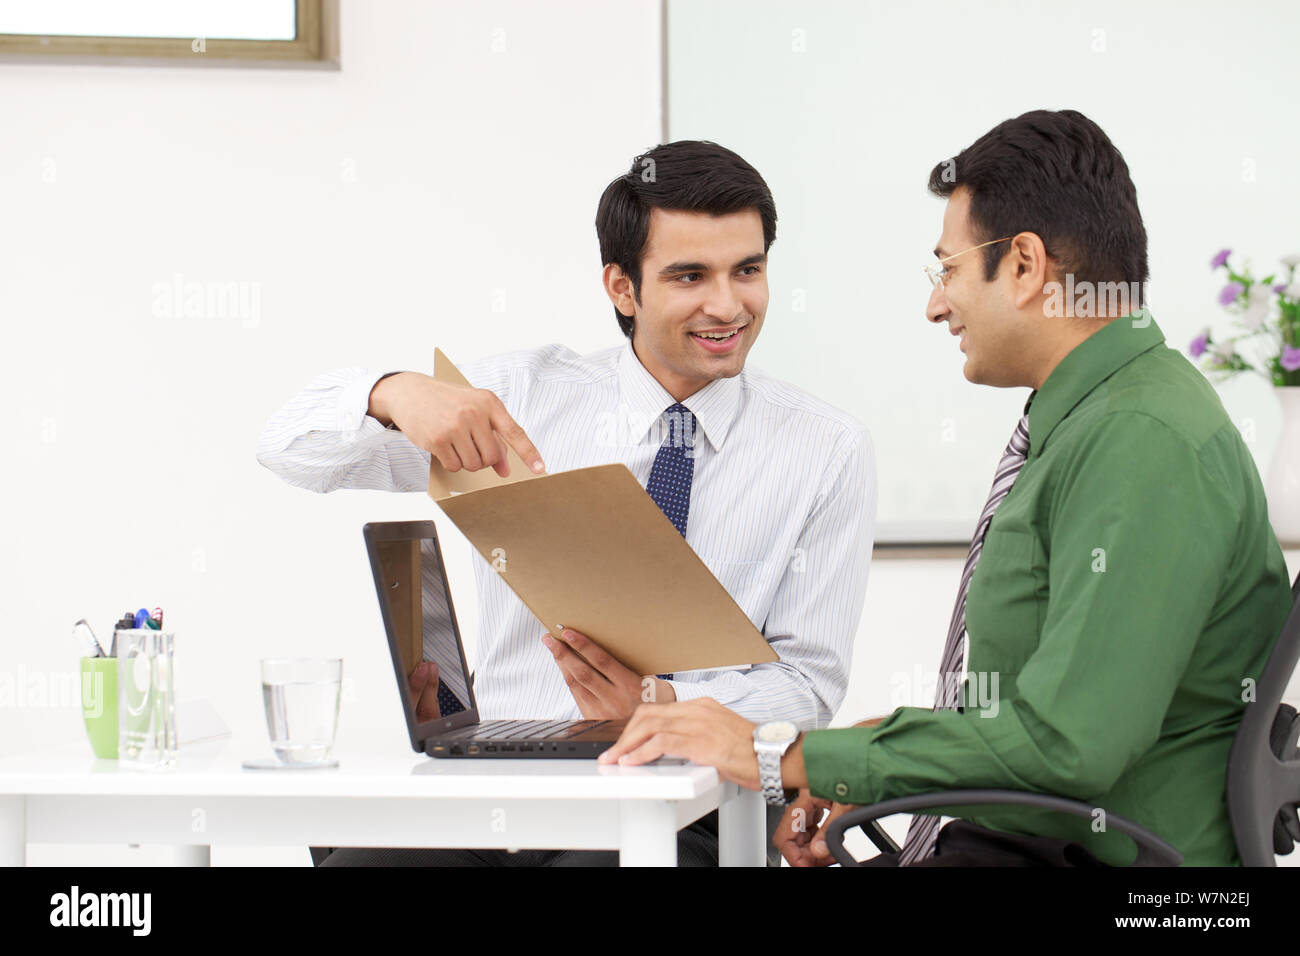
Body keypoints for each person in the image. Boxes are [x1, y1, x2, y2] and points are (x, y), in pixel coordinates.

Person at [600, 110, 1294, 867]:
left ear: (1024, 266)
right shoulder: (1099, 421)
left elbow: (1068, 747)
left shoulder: (1144, 439)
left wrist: (784, 753)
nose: (936, 304)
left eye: (949, 269)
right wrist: (863, 762)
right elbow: (1034, 720)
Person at [256, 139, 876, 865]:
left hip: (689, 803)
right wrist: (390, 391)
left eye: (748, 270)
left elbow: (809, 687)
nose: (727, 304)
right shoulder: (519, 400)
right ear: (622, 288)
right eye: (689, 275)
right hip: (506, 784)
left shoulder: (827, 448)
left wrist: (669, 712)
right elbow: (286, 448)